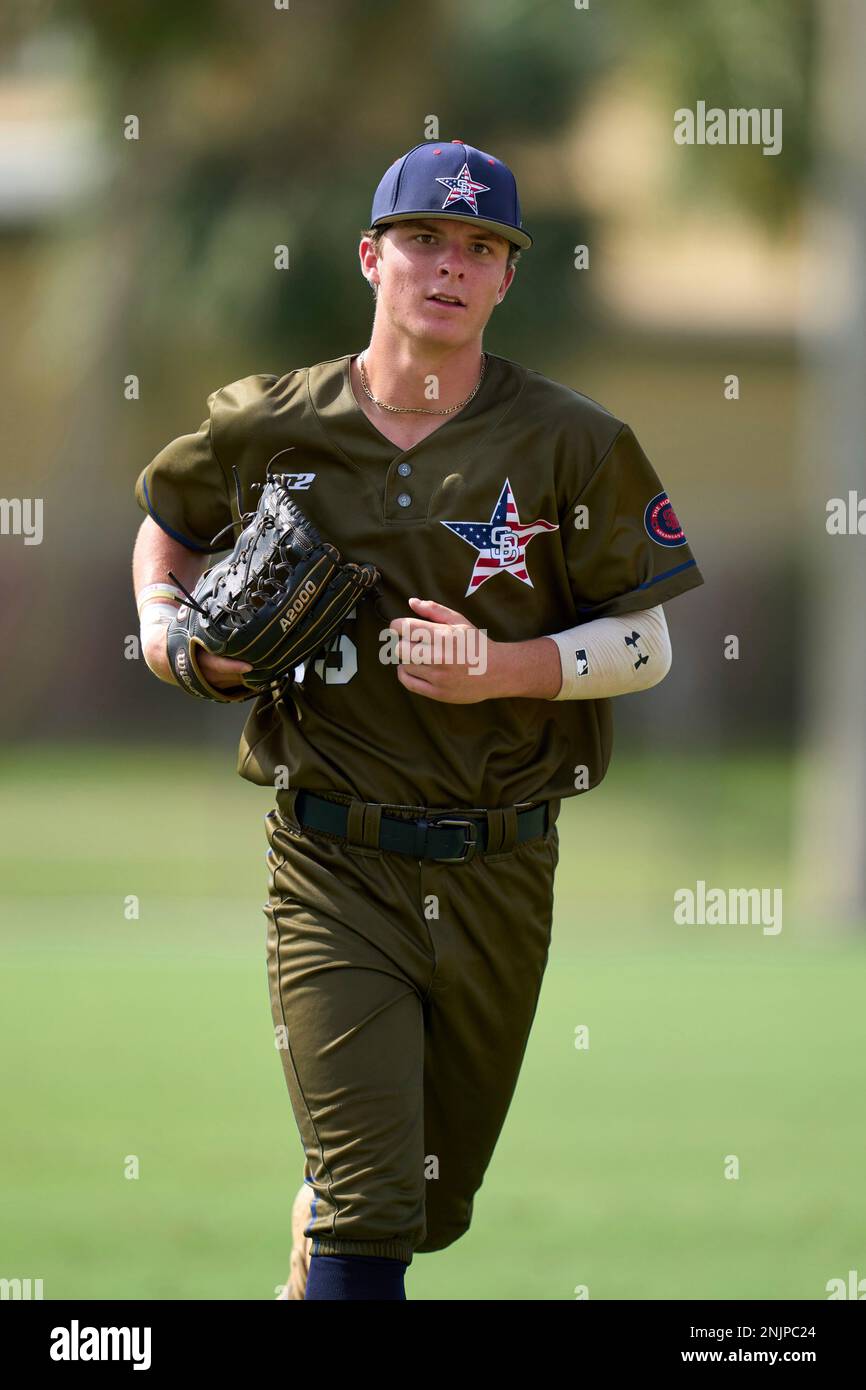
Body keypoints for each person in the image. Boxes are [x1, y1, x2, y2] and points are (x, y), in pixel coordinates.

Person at [131, 139, 704, 1301]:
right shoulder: (267, 423)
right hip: (332, 856)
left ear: (504, 280)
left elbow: (646, 642)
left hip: (499, 860)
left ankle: (328, 1228)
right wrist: (163, 627)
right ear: (369, 257)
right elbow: (167, 520)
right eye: (424, 240)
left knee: (430, 1206)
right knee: (369, 1211)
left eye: (480, 247)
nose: (449, 265)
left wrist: (508, 667)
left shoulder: (571, 442)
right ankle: (337, 1224)